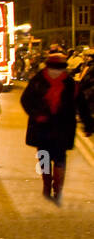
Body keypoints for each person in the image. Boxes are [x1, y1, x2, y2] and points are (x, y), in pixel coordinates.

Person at [20, 51, 82, 204]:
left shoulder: (40, 80)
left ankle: (52, 187)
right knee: (54, 158)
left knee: (50, 158)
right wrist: (36, 114)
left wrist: (36, 114)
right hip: (53, 127)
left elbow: (26, 100)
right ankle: (53, 187)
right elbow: (26, 100)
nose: (55, 73)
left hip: (51, 127)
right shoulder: (68, 83)